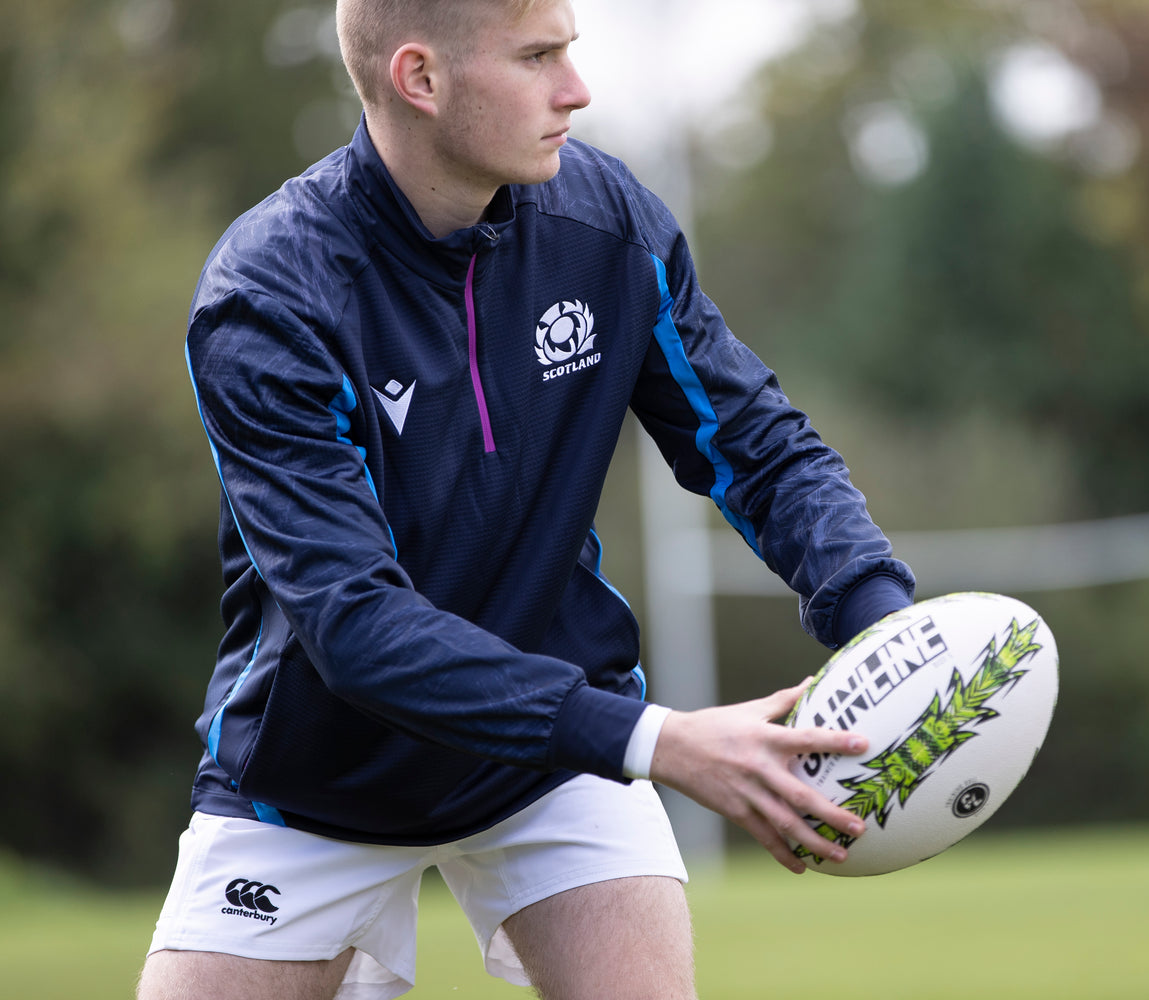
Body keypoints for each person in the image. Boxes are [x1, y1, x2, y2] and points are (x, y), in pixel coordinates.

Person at [137, 0, 915, 997]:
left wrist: (885, 630)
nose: (576, 89)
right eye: (539, 56)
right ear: (421, 78)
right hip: (312, 787)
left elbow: (758, 447)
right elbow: (358, 626)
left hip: (554, 766)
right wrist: (657, 742)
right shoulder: (269, 299)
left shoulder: (607, 228)